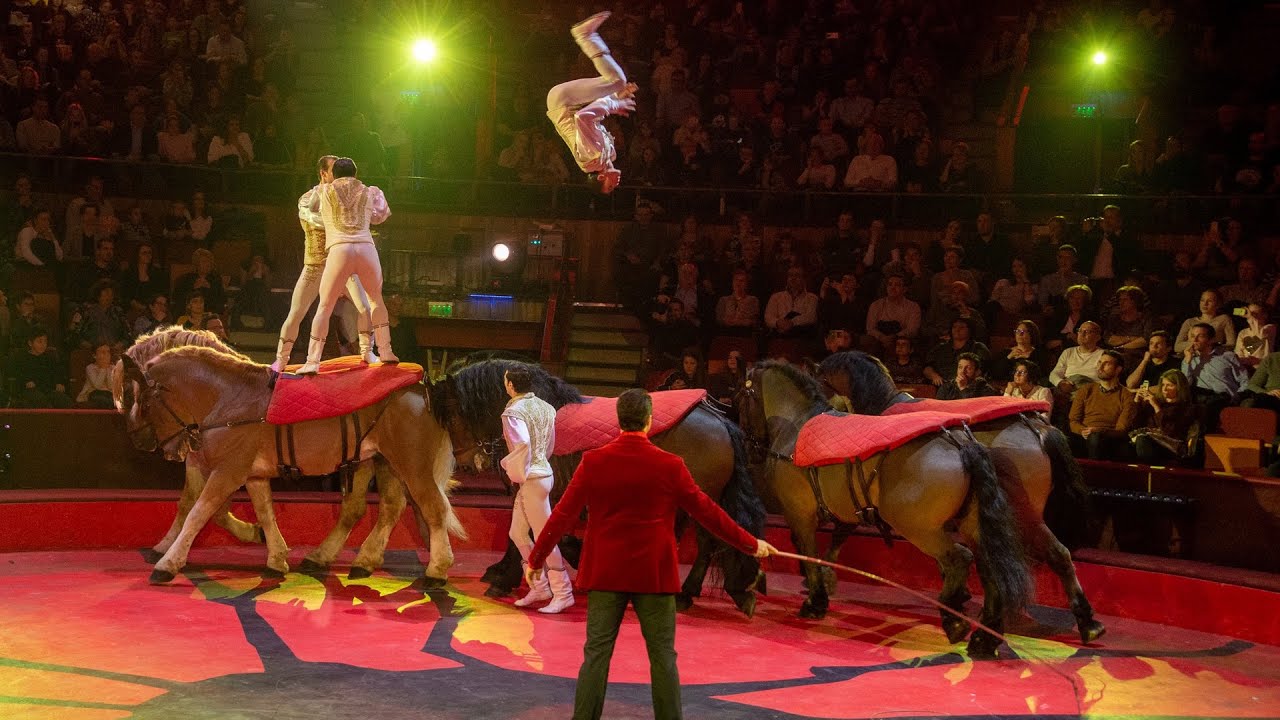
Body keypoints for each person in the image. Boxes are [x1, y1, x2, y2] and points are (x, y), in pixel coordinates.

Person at [526, 389, 777, 720]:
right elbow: (708, 513)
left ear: (618, 421)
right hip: (653, 575)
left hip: (606, 573)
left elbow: (561, 515)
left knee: (596, 655)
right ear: (648, 421)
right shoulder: (670, 465)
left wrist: (535, 559)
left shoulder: (593, 461)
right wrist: (750, 543)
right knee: (662, 656)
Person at [273, 155, 375, 370]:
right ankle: (281, 360)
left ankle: (367, 352)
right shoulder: (307, 198)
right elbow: (317, 219)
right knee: (296, 313)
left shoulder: (344, 199)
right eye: (335, 171)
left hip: (342, 265)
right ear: (324, 174)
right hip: (315, 265)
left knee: (365, 307)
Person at [298, 157, 396, 374]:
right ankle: (385, 350)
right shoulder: (369, 191)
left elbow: (310, 212)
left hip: (340, 249)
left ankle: (312, 360)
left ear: (335, 174)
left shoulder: (323, 191)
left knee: (325, 306)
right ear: (355, 173)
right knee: (375, 300)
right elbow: (381, 216)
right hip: (365, 247)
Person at [501, 367, 574, 614]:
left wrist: (514, 470)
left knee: (544, 537)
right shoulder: (545, 407)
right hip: (542, 473)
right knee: (517, 533)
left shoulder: (513, 411)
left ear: (510, 385)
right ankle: (539, 584)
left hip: (532, 477)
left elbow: (522, 444)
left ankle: (563, 592)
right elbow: (550, 444)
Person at [545, 12, 638, 194]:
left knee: (617, 81)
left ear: (602, 177)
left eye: (610, 186)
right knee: (617, 82)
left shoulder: (591, 159)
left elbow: (583, 117)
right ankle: (588, 36)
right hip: (566, 102)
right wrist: (615, 99)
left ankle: (585, 35)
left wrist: (613, 104)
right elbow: (591, 118)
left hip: (563, 102)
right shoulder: (606, 156)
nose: (616, 184)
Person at [1068, 350, 1138, 459]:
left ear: (1118, 369)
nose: (1100, 367)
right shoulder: (1086, 389)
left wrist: (1099, 431)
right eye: (1100, 362)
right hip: (1083, 436)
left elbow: (1121, 429)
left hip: (1109, 439)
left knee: (1097, 438)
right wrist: (1082, 431)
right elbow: (1073, 420)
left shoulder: (1126, 395)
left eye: (1107, 364)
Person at [1131, 369, 1201, 465]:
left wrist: (1157, 408)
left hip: (1171, 447)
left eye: (1170, 385)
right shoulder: (1155, 403)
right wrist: (1137, 402)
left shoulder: (1188, 409)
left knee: (1143, 440)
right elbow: (1135, 425)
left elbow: (1170, 431)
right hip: (1149, 442)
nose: (1164, 389)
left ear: (1179, 387)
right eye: (1163, 385)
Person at [936, 352, 1000, 400]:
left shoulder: (985, 389)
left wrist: (963, 388)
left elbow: (974, 409)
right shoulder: (946, 388)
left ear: (977, 372)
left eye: (968, 368)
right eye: (960, 367)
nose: (962, 371)